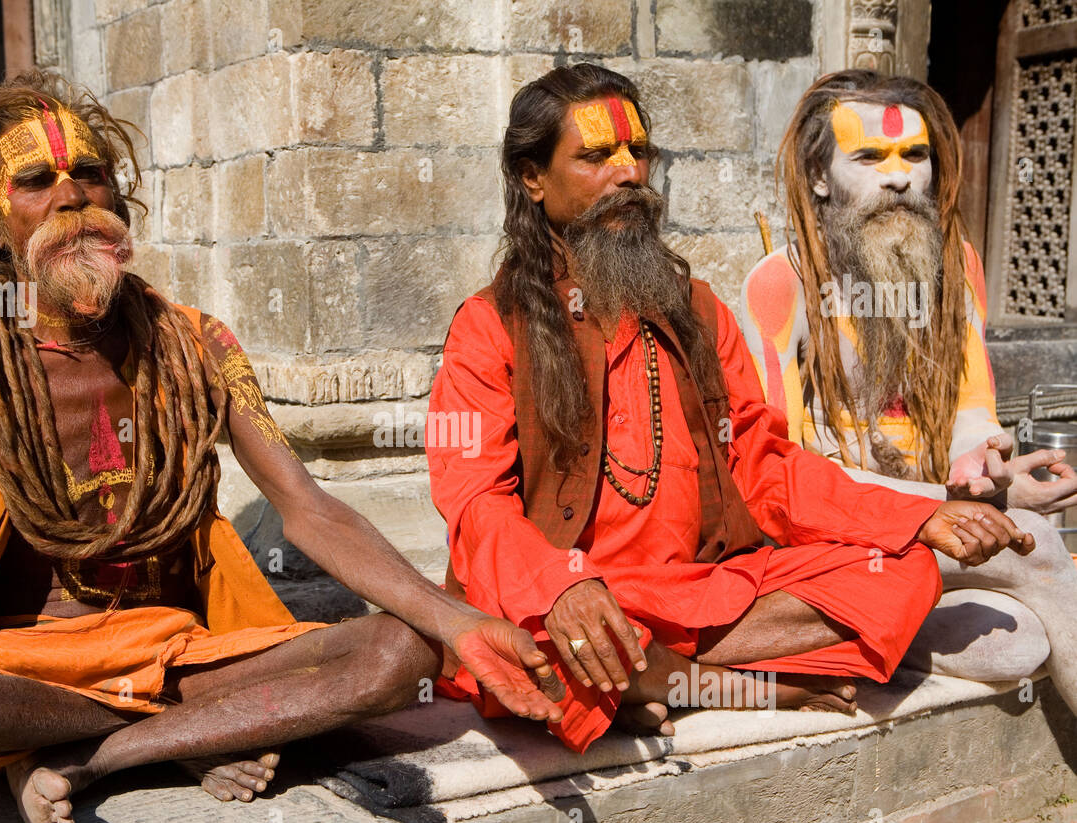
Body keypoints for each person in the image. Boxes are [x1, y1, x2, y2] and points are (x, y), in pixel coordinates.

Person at [0, 71, 562, 823]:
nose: (71, 196)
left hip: (178, 655)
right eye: (36, 181)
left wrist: (461, 623)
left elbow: (308, 507)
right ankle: (177, 737)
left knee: (401, 650)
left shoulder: (198, 346)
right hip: (17, 674)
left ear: (117, 202)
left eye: (90, 176)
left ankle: (90, 755)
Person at [427, 63, 1034, 754]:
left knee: (901, 572)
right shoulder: (488, 325)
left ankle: (655, 677)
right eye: (596, 156)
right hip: (576, 596)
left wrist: (919, 513)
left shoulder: (698, 310)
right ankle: (720, 683)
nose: (628, 174)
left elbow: (765, 466)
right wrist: (559, 585)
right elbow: (475, 500)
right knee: (519, 641)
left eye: (639, 152)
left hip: (700, 592)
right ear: (533, 178)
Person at [738, 70, 1077, 708]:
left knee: (1019, 646)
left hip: (943, 528)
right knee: (1045, 546)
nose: (898, 177)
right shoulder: (781, 285)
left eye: (913, 155)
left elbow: (973, 411)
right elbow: (777, 472)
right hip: (834, 543)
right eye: (869, 157)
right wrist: (947, 508)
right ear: (820, 176)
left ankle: (856, 647)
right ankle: (834, 634)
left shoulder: (959, 268)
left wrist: (985, 467)